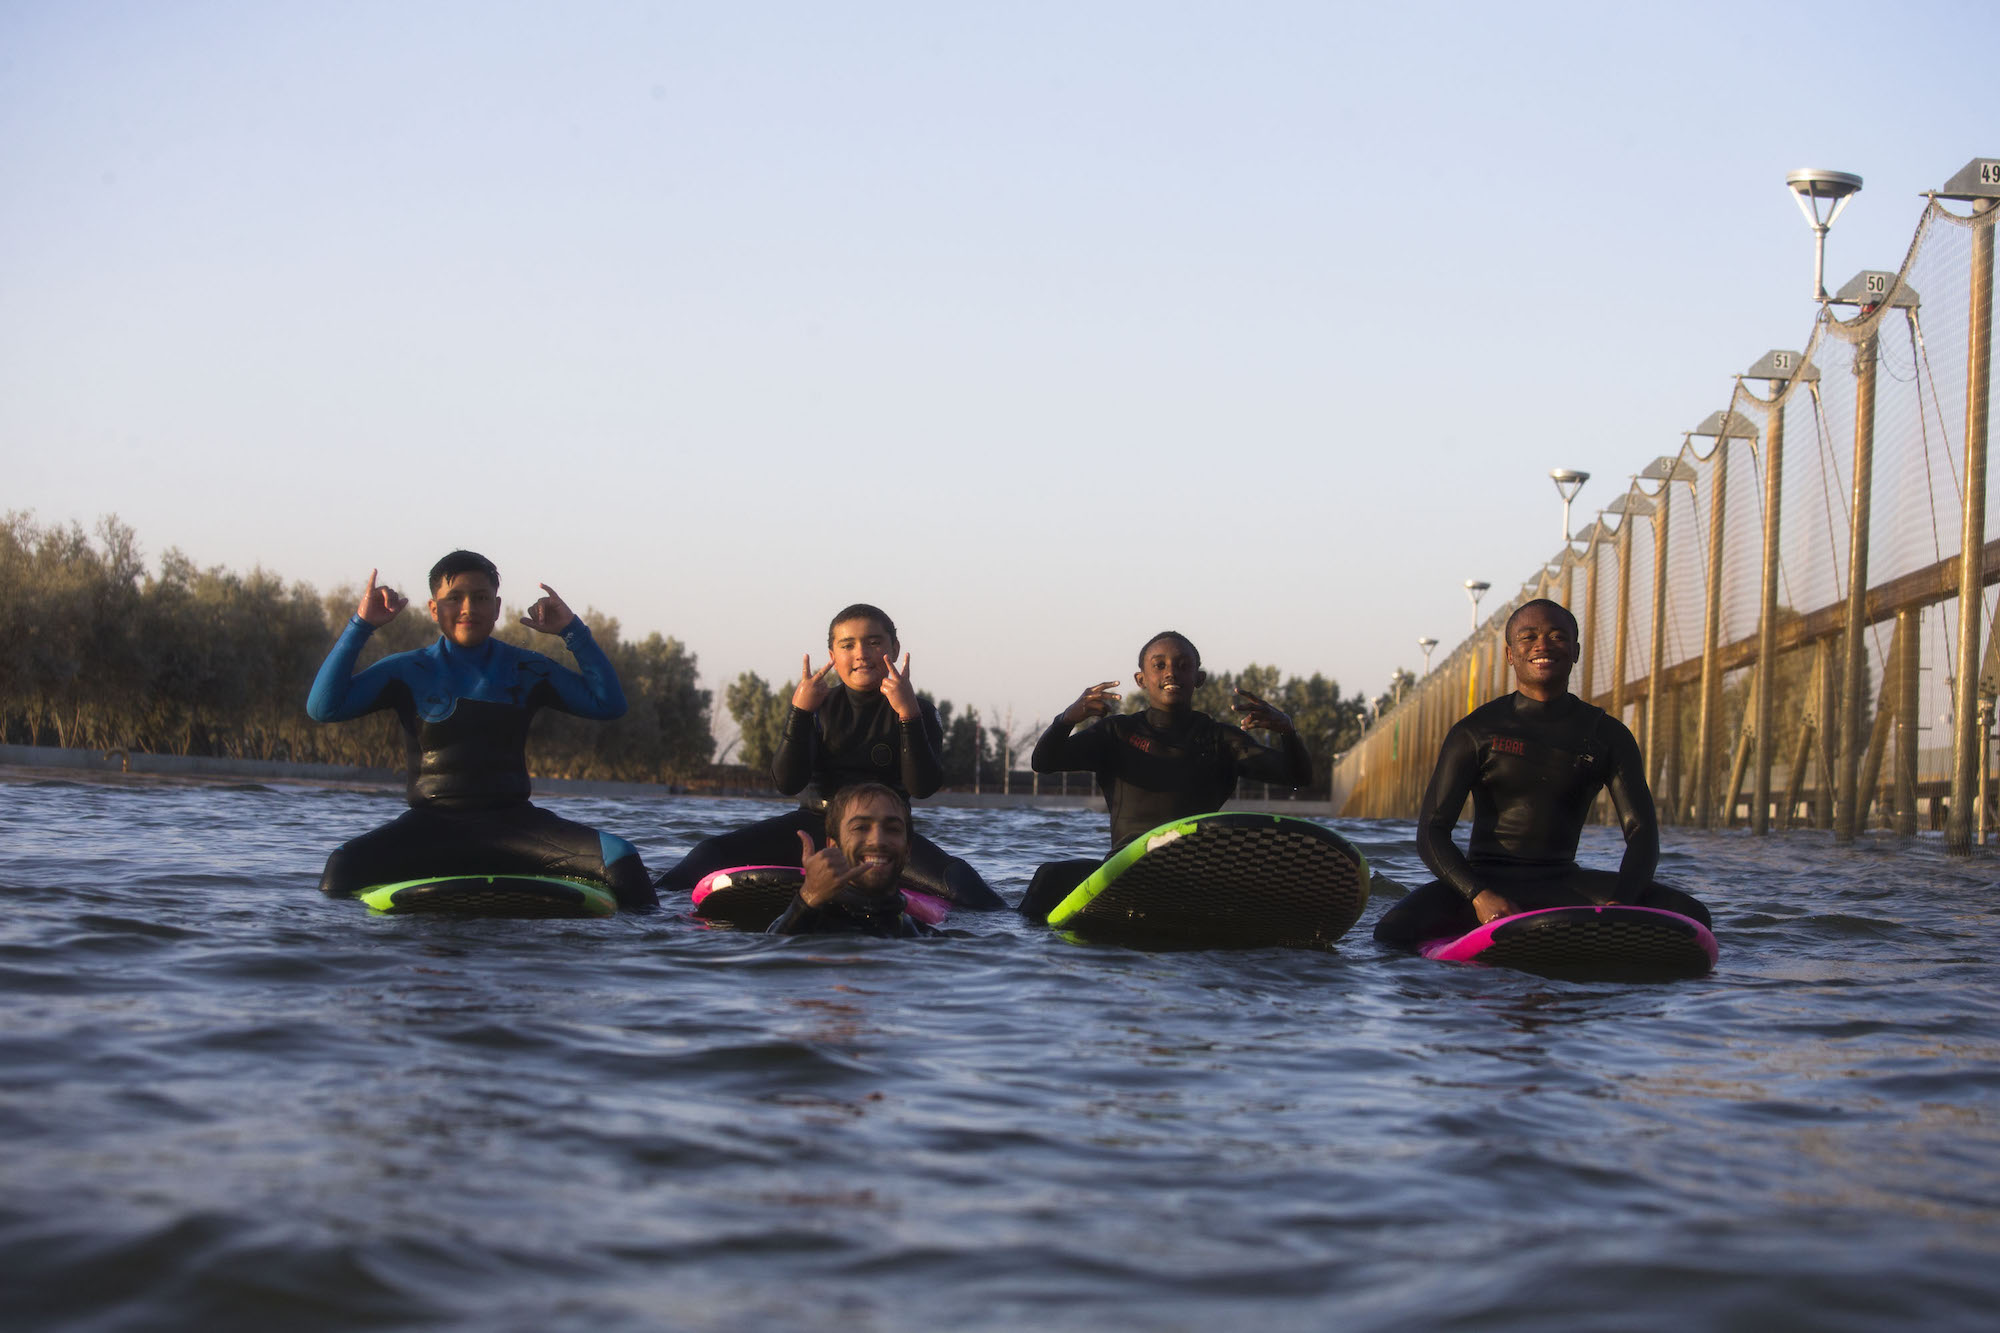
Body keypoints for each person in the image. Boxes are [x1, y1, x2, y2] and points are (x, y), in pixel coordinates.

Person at [305, 550, 656, 909]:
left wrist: (572, 631)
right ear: (433, 608)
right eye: (454, 598)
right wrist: (361, 624)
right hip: (430, 829)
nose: (468, 608)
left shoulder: (526, 669)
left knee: (621, 858)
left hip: (517, 828)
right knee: (342, 865)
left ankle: (654, 944)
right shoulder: (407, 670)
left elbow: (609, 704)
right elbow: (323, 707)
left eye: (481, 597)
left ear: (498, 606)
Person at [1371, 598, 1712, 950]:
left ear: (1575, 651)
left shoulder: (1606, 735)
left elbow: (1642, 832)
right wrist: (1479, 896)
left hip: (1562, 883)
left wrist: (1622, 901)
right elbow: (1432, 832)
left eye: (1557, 636)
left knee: (1692, 915)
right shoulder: (1476, 731)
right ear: (1510, 654)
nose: (1543, 645)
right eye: (1528, 636)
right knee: (1391, 935)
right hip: (1484, 883)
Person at [654, 604, 1002, 908]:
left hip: (878, 834)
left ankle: (1022, 925)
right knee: (707, 853)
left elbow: (923, 786)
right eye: (847, 645)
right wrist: (799, 714)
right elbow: (787, 782)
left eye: (874, 642)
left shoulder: (919, 710)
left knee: (960, 880)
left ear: (894, 648)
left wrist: (908, 715)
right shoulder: (816, 706)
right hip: (811, 828)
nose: (861, 653)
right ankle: (641, 910)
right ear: (832, 655)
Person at [1019, 630, 1314, 918]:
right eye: (1159, 666)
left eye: (1183, 666)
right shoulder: (1117, 733)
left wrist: (1289, 732)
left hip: (1195, 875)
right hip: (1126, 869)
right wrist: (1066, 719)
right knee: (1050, 875)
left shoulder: (1221, 740)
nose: (1171, 672)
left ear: (1198, 679)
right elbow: (1044, 762)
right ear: (1141, 680)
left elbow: (1297, 776)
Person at [766, 782, 939, 937]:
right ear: (833, 846)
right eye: (861, 827)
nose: (878, 841)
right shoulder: (802, 923)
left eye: (892, 829)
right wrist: (807, 898)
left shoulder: (923, 936)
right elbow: (769, 963)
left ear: (908, 849)